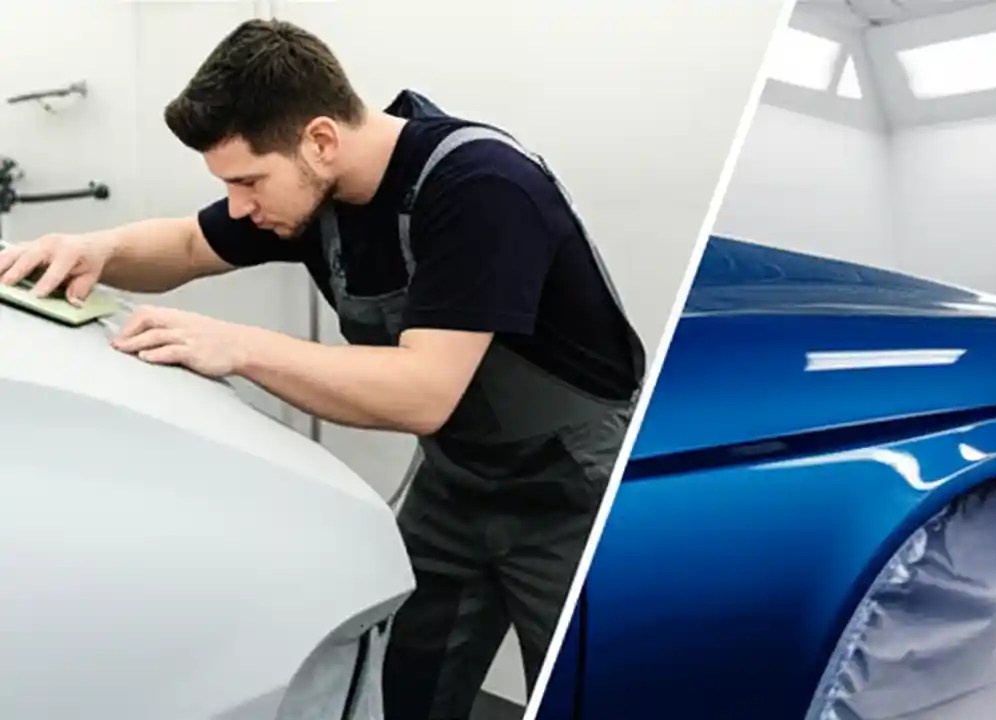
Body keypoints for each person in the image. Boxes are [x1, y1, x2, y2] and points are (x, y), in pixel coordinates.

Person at [0, 18, 644, 719]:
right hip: (458, 482)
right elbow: (187, 243)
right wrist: (86, 249)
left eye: (248, 181)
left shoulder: (480, 186)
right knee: (398, 690)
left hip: (576, 491)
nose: (240, 207)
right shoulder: (317, 193)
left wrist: (239, 347)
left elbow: (424, 391)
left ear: (320, 140)